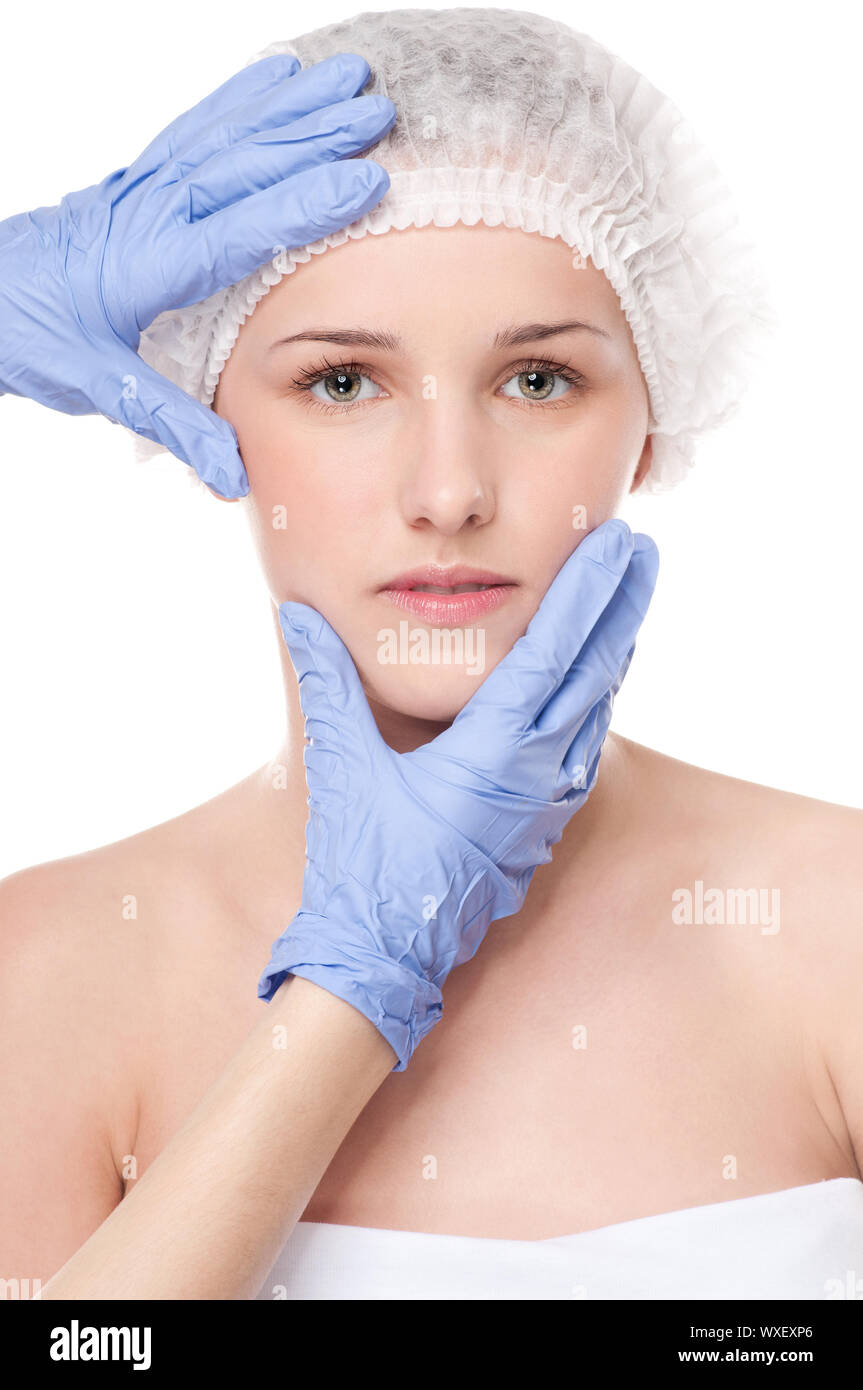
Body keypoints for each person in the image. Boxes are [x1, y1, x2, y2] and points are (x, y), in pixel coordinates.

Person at [1, 8, 861, 1302]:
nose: (448, 491)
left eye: (537, 379)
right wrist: (352, 989)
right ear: (200, 408)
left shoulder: (832, 922)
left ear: (651, 422)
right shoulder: (44, 969)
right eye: (344, 381)